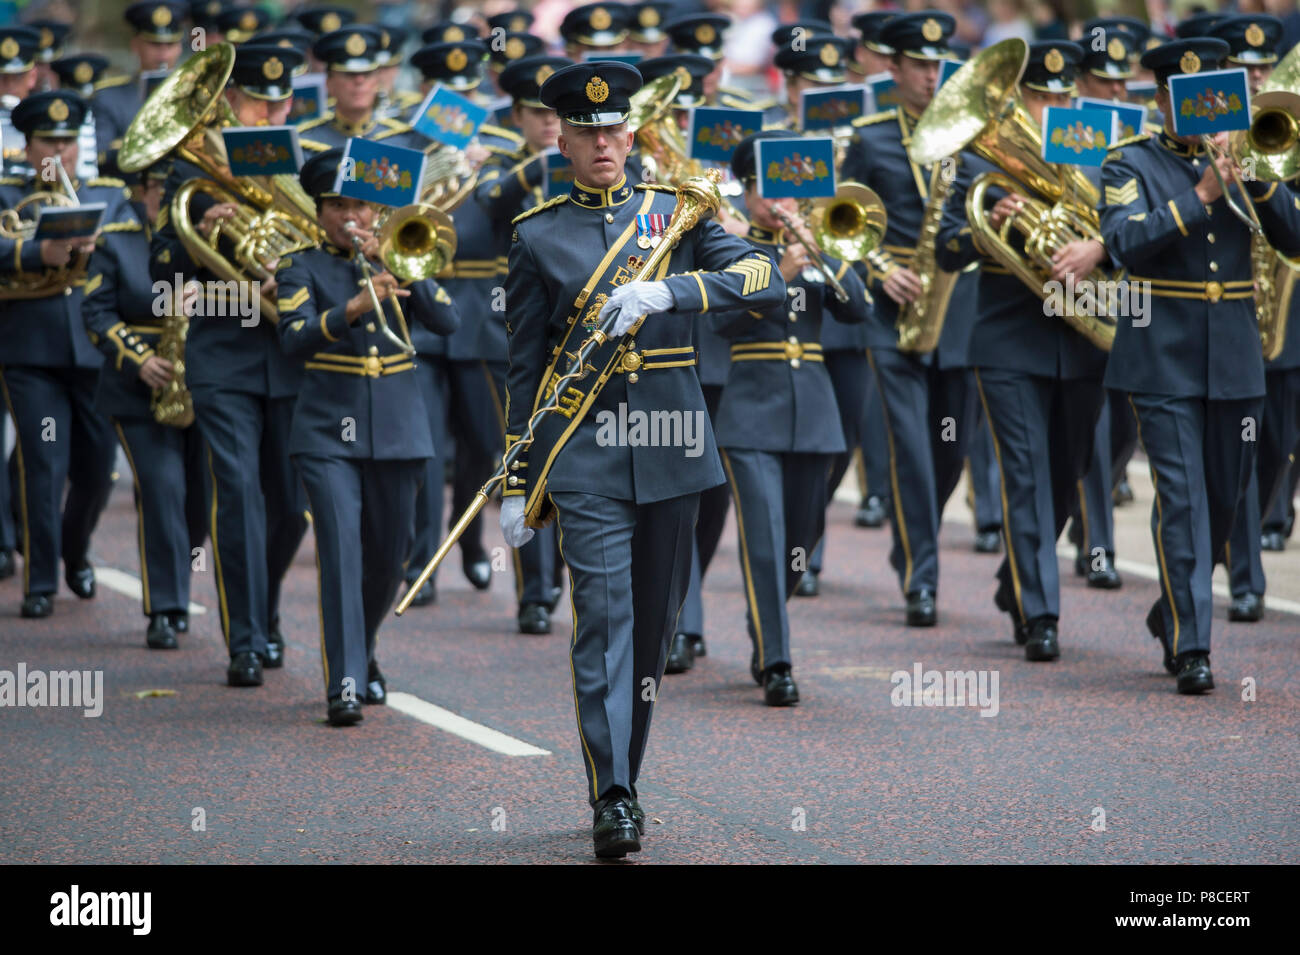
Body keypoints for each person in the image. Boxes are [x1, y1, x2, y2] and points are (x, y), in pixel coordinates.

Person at [500, 62, 784, 857]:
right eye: (586, 132)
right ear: (563, 137)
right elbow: (524, 366)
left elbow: (761, 276)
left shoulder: (679, 213)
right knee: (605, 618)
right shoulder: (536, 234)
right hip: (586, 452)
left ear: (632, 134)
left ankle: (627, 764)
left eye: (614, 131)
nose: (602, 144)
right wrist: (519, 475)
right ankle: (613, 792)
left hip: (672, 443)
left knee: (654, 629)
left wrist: (675, 292)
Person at [1099, 35, 1300, 691]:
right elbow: (1125, 243)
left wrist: (1262, 186)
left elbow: (1295, 239)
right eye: (1188, 96)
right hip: (1161, 355)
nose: (1206, 107)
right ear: (1161, 98)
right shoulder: (1127, 163)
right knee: (1182, 499)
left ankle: (1173, 608)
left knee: (1223, 502)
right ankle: (1193, 646)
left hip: (1236, 354)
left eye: (1216, 94)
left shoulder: (1252, 156)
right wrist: (1202, 195)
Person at [936, 41, 1109, 661]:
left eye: (1063, 96)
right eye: (1041, 95)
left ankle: (1018, 578)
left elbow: (1124, 230)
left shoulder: (1097, 152)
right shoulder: (986, 160)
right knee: (1027, 475)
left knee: (1068, 474)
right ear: (1018, 98)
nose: (1053, 106)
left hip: (1081, 338)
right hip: (1009, 337)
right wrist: (994, 228)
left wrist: (1097, 248)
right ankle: (1041, 613)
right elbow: (947, 249)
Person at [277, 147, 460, 726]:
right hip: (328, 428)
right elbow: (295, 337)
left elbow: (448, 321)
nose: (349, 215)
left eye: (359, 204)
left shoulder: (402, 254)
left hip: (400, 427)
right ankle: (345, 682)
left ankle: (364, 650)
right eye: (337, 205)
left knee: (390, 557)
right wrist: (353, 307)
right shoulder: (299, 266)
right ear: (319, 210)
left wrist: (408, 269)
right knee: (340, 550)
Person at [150, 41, 309, 687]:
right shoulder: (189, 178)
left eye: (278, 100)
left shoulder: (304, 165)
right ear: (228, 101)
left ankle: (264, 607)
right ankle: (243, 638)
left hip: (291, 353)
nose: (267, 109)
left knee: (292, 505)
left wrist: (293, 280)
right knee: (238, 493)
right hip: (222, 352)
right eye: (254, 99)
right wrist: (206, 230)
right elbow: (161, 269)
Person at [714, 129, 870, 704]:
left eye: (790, 191)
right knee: (764, 537)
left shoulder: (815, 240)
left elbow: (859, 309)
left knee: (800, 540)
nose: (778, 202)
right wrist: (778, 271)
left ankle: (767, 623)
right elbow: (722, 325)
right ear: (749, 190)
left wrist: (822, 245)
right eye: (768, 191)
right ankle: (776, 659)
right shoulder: (730, 246)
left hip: (815, 412)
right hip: (752, 411)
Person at [839, 11, 982, 626]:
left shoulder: (967, 135)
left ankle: (914, 537)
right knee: (913, 452)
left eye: (936, 64)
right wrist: (877, 269)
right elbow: (840, 223)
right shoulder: (869, 138)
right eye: (919, 65)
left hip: (955, 311)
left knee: (950, 451)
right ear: (892, 68)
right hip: (891, 312)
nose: (931, 76)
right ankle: (921, 576)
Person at [0, 90, 127, 618]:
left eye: (68, 141)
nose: (60, 152)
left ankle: (75, 550)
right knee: (43, 462)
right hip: (30, 350)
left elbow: (137, 248)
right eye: (49, 141)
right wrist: (35, 252)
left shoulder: (109, 194)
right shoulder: (7, 195)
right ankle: (42, 581)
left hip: (95, 350)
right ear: (26, 147)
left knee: (98, 470)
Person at [82, 154, 206, 649]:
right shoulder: (116, 240)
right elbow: (96, 311)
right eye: (160, 188)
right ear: (141, 191)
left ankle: (182, 568)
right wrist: (138, 359)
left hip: (203, 383)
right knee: (161, 489)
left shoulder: (203, 240)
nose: (169, 198)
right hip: (138, 389)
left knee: (199, 500)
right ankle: (166, 606)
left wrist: (212, 301)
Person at [1212, 13, 1292, 623]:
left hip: (1285, 315)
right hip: (1226, 312)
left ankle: (1266, 524)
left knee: (1275, 448)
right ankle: (1245, 577)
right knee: (1237, 451)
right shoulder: (1204, 134)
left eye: (1263, 66)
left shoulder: (1285, 126)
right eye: (1245, 67)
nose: (1257, 75)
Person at [94, 2, 186, 170]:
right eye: (155, 45)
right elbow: (101, 155)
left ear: (180, 47)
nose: (163, 55)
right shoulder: (110, 97)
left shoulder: (193, 91)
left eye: (170, 45)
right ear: (135, 45)